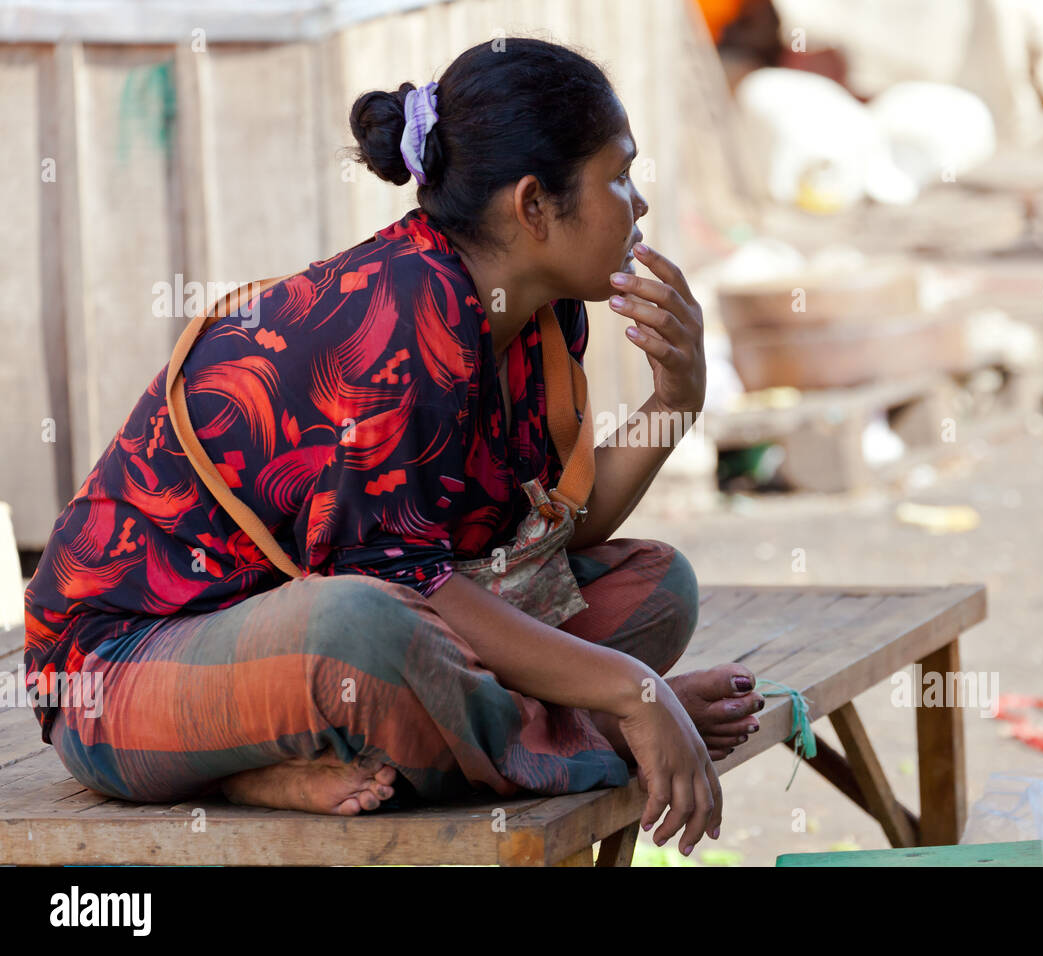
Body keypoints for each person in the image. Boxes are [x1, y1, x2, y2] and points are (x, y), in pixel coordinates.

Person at [22, 37, 765, 858]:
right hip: (120, 675)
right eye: (620, 174)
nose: (640, 204)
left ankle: (356, 748)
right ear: (534, 207)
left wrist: (675, 401)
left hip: (329, 637)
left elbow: (552, 542)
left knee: (657, 588)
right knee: (365, 627)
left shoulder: (543, 317)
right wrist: (635, 695)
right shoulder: (402, 317)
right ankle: (592, 740)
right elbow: (394, 591)